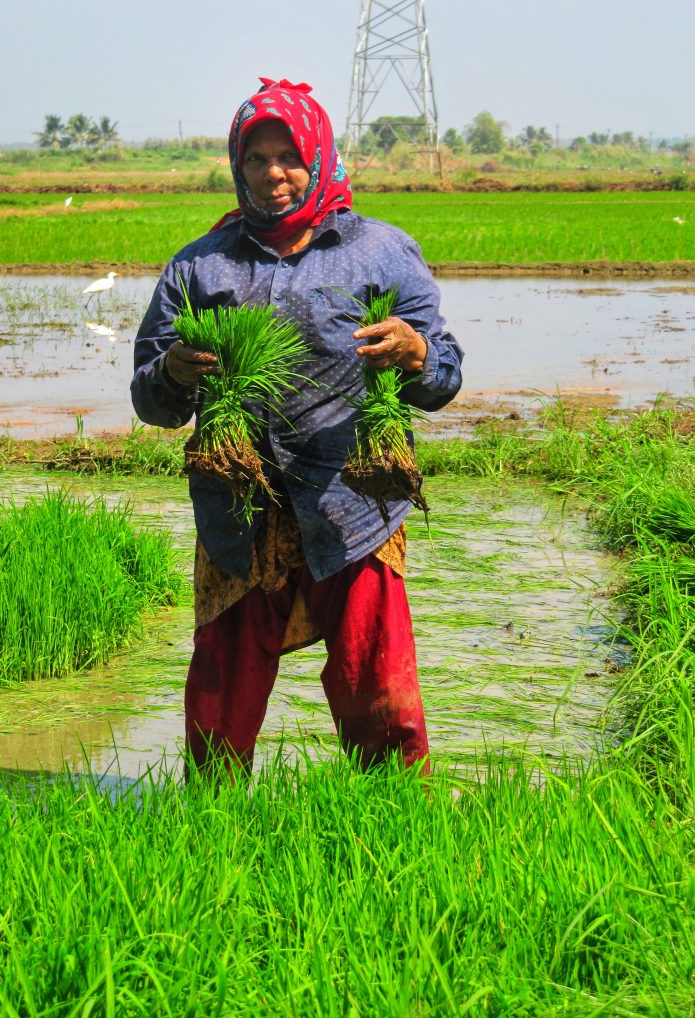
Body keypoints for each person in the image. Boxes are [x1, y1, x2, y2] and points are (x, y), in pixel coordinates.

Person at [131, 77, 463, 778]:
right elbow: (150, 402)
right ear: (236, 164)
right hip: (237, 502)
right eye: (256, 159)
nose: (273, 174)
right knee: (219, 700)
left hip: (352, 501)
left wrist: (415, 352)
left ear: (318, 157)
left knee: (379, 690)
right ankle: (209, 827)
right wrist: (178, 375)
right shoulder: (201, 264)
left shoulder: (380, 251)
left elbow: (444, 381)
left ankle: (398, 816)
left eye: (289, 156)